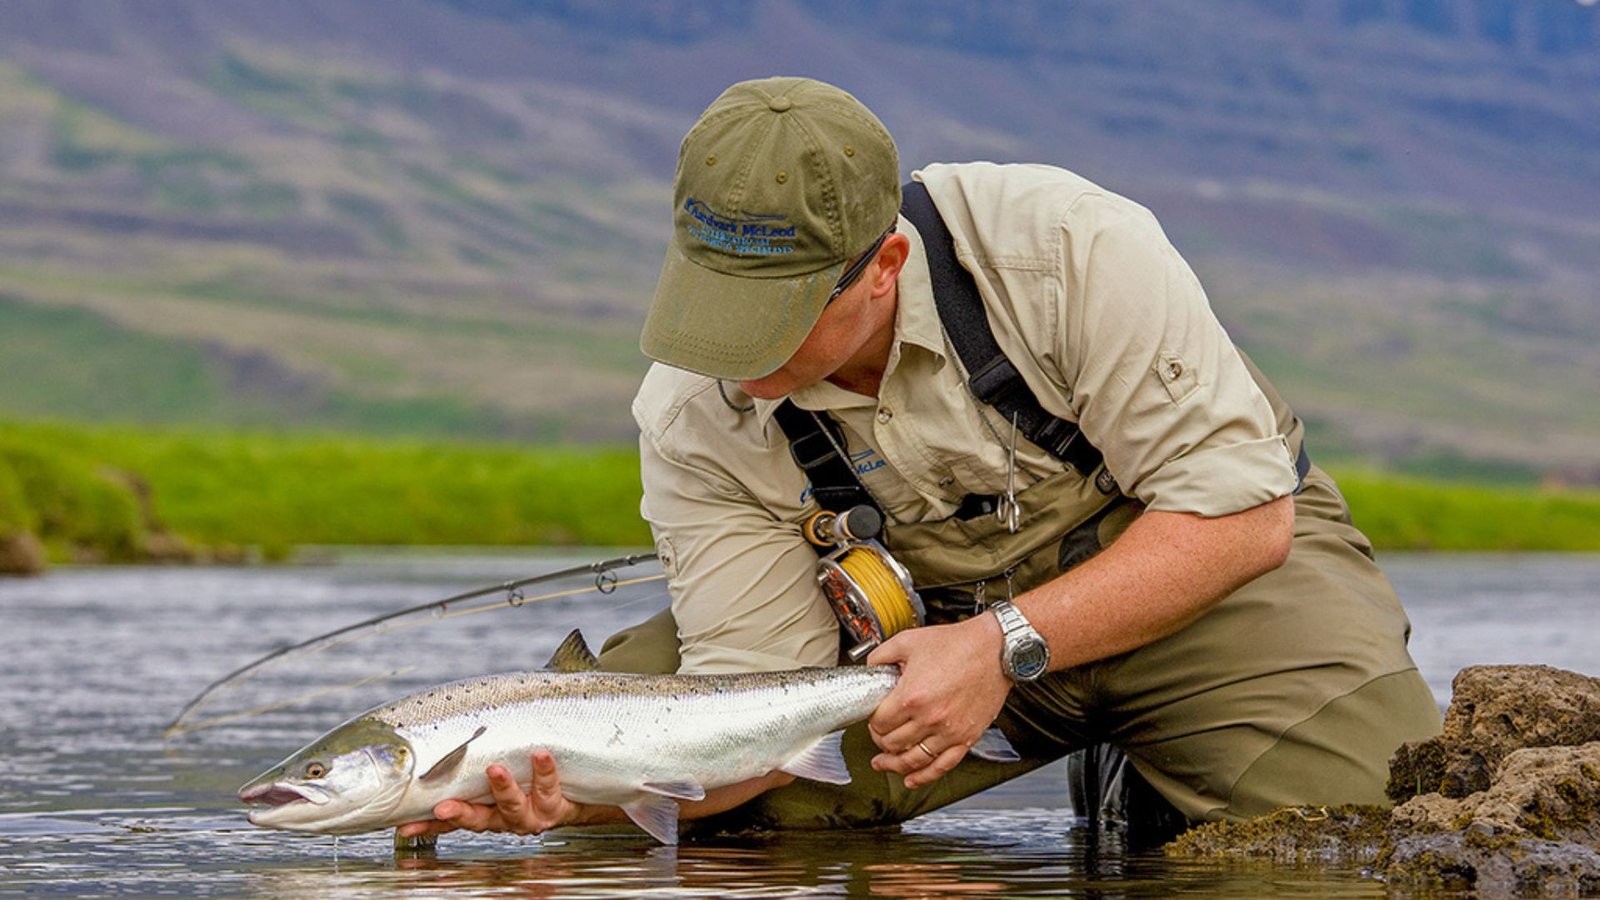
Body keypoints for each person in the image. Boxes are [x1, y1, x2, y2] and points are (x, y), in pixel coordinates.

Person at [398, 76, 1441, 843]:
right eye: (711, 306)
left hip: (1205, 580)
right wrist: (583, 791)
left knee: (1367, 839)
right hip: (904, 640)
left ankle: (1152, 767)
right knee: (627, 825)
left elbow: (1244, 520)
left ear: (885, 264)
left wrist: (1005, 646)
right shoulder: (690, 411)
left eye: (773, 318)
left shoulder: (1069, 247)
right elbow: (746, 693)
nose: (731, 355)